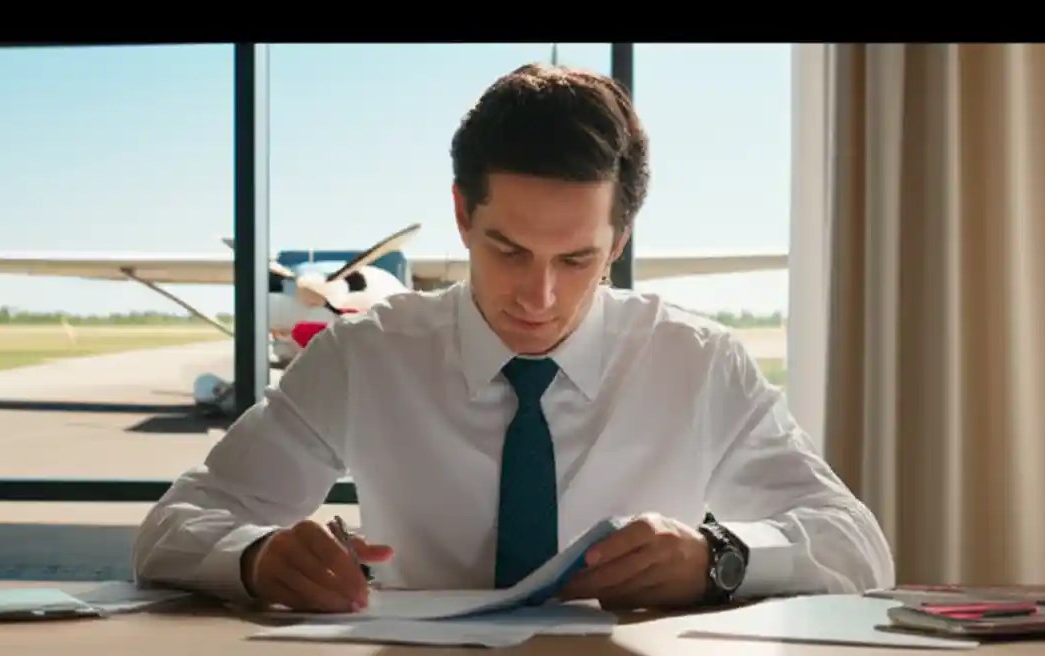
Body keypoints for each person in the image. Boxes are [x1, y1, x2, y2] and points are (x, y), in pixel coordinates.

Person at [132, 62, 895, 613]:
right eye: (508, 251)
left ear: (620, 238)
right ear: (463, 214)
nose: (540, 297)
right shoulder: (367, 355)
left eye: (577, 259)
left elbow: (859, 547)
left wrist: (718, 558)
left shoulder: (697, 363)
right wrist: (259, 557)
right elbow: (171, 529)